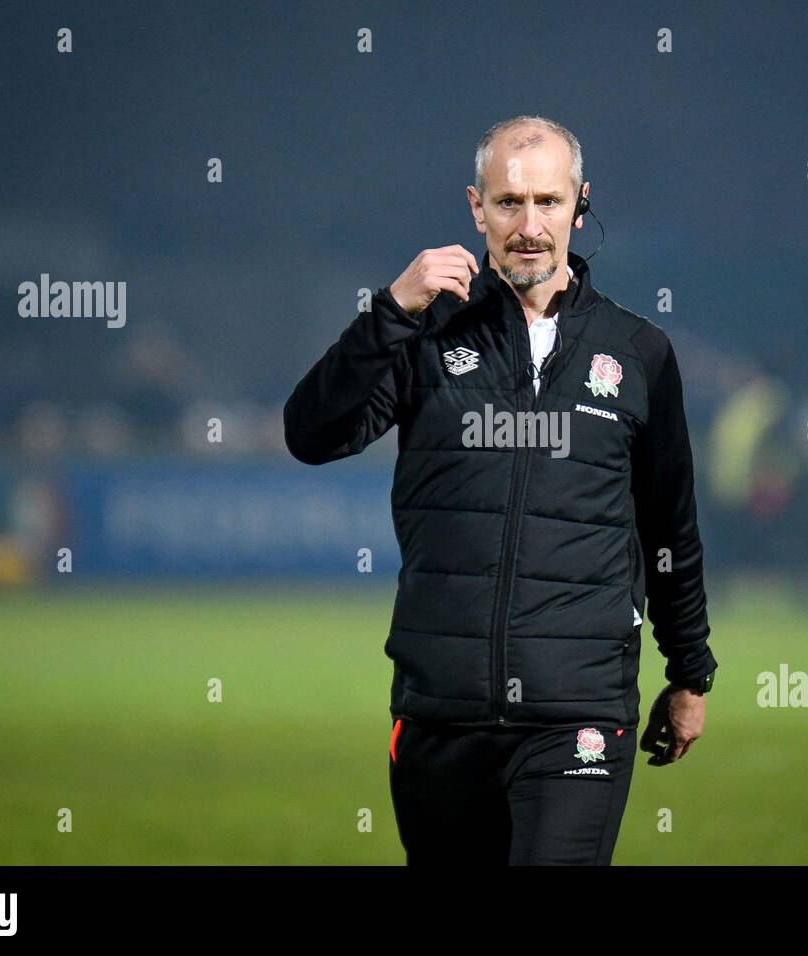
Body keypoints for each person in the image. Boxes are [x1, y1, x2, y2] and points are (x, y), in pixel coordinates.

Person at [284, 115, 717, 865]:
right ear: (476, 207)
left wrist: (689, 672)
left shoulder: (639, 352)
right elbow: (312, 435)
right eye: (509, 203)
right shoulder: (422, 334)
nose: (529, 226)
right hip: (440, 714)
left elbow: (668, 525)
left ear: (580, 205)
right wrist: (388, 313)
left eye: (548, 202)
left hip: (577, 711)